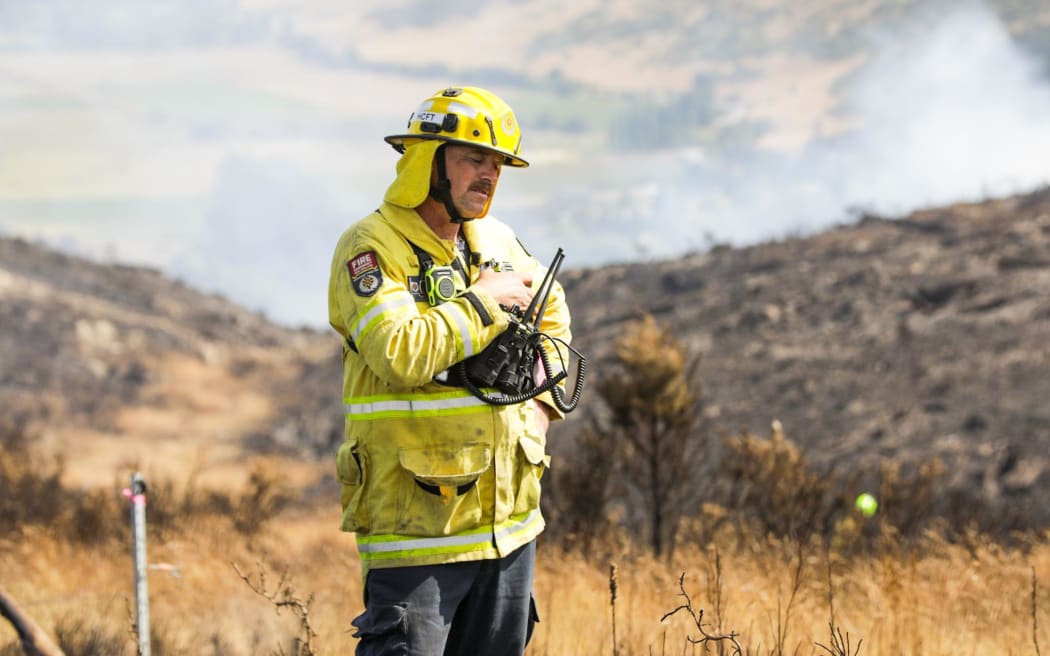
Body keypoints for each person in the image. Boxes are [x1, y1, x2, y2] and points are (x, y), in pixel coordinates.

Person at [328, 86, 572, 656]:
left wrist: (541, 404)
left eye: (497, 164)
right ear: (427, 162)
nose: (489, 176)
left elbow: (554, 309)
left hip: (510, 531)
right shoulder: (371, 246)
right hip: (419, 537)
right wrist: (484, 303)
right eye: (472, 159)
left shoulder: (498, 240)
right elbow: (398, 351)